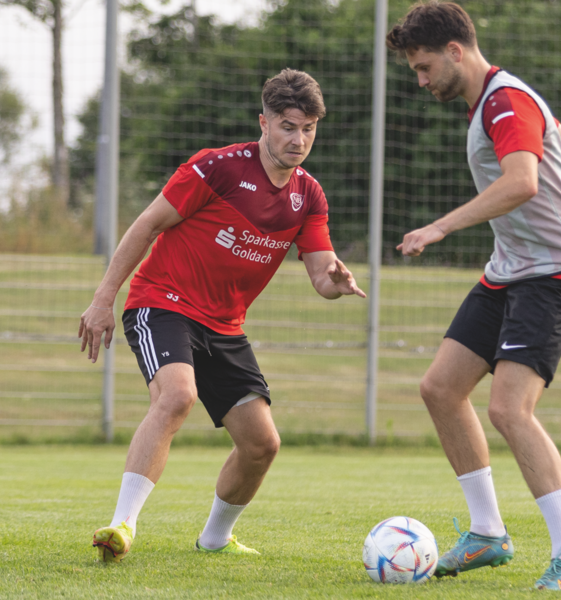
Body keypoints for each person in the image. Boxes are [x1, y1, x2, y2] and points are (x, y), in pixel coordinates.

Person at [77, 69, 366, 563]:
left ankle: (214, 539)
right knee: (177, 396)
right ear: (264, 122)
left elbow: (322, 275)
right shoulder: (217, 168)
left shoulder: (309, 195)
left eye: (309, 129)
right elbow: (146, 225)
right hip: (162, 303)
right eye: (288, 127)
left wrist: (335, 285)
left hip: (224, 326)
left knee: (262, 444)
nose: (299, 140)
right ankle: (122, 525)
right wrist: (104, 298)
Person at [385, 1, 561, 591]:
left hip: (556, 273)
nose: (421, 81)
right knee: (441, 389)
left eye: (423, 68)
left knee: (509, 409)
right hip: (512, 270)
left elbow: (523, 182)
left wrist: (439, 227)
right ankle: (488, 534)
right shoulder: (500, 100)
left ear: (455, 51)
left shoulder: (505, 101)